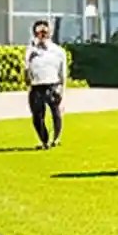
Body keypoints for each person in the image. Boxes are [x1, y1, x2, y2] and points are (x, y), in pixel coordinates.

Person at [24, 20, 68, 149]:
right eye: (39, 32)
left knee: (56, 113)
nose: (42, 35)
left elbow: (63, 73)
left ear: (49, 33)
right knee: (37, 116)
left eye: (44, 32)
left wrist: (62, 89)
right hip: (36, 86)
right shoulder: (31, 51)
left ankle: (56, 138)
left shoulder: (58, 51)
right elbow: (26, 71)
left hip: (52, 85)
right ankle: (44, 140)